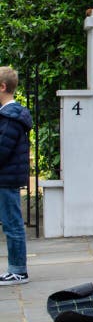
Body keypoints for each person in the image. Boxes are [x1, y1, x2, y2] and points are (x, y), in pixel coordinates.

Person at [0, 67, 32, 286]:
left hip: (6, 179)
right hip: (6, 178)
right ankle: (16, 269)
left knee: (12, 224)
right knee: (12, 223)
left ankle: (18, 271)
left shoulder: (10, 118)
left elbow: (2, 149)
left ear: (2, 87)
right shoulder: (9, 116)